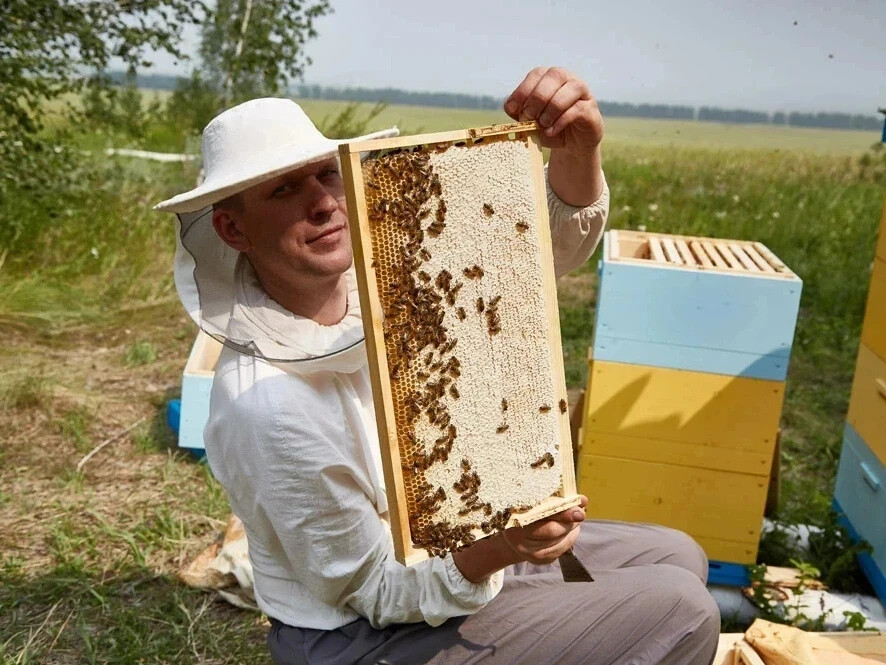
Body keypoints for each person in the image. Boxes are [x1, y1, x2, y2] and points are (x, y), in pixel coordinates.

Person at [156, 67, 720, 665]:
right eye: (282, 190)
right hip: (362, 637)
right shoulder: (265, 406)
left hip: (455, 549)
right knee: (683, 607)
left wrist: (580, 152)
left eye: (326, 175)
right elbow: (376, 590)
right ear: (231, 227)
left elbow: (538, 251)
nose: (322, 202)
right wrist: (499, 547)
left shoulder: (385, 270)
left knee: (681, 555)